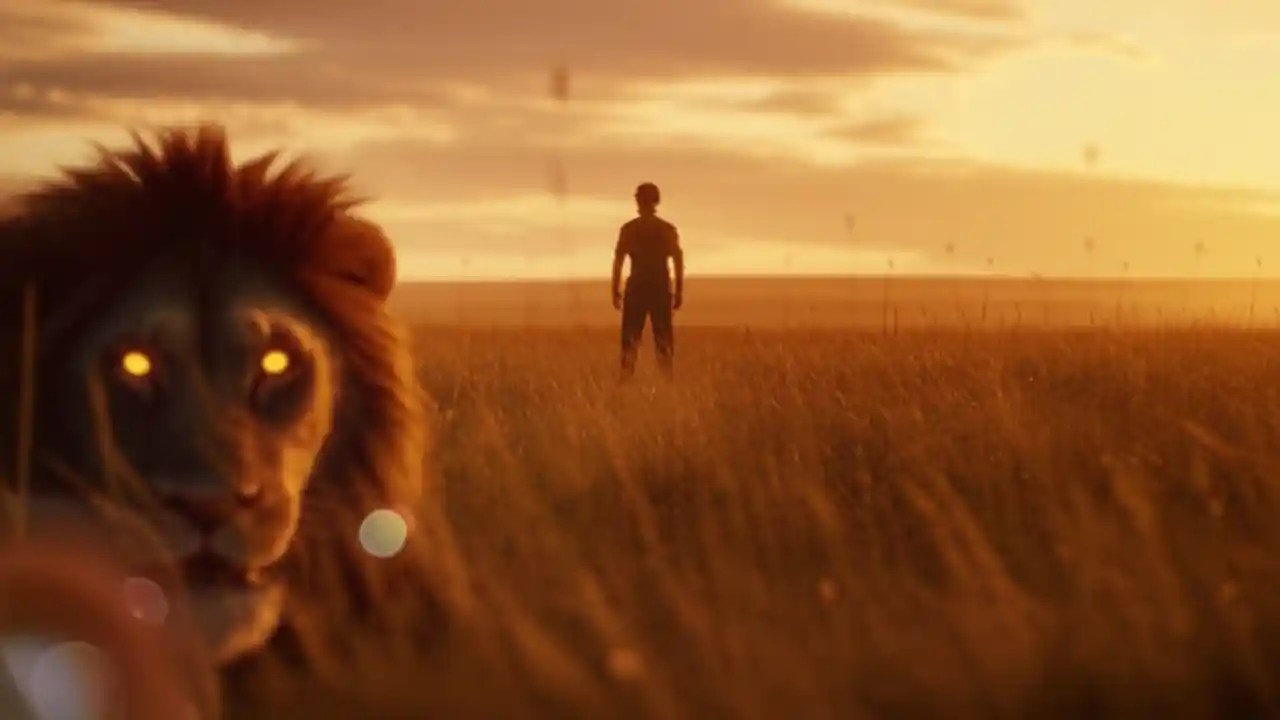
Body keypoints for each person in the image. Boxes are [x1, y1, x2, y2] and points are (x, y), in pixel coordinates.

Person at [612, 182, 684, 380]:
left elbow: (618, 260)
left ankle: (626, 380)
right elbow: (678, 260)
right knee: (663, 341)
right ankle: (667, 380)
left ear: (638, 200)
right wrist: (679, 291)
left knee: (630, 340)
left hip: (637, 289)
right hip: (660, 288)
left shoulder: (629, 229)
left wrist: (614, 290)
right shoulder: (667, 229)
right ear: (656, 200)